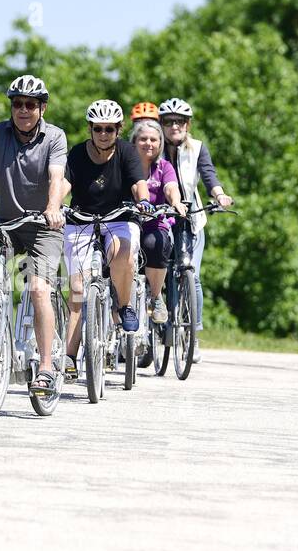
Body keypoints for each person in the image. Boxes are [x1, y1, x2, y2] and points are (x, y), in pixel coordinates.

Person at [0, 74, 68, 395]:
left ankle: (45, 368)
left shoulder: (55, 137)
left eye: (30, 104)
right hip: (7, 223)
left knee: (39, 289)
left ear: (42, 108)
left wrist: (54, 207)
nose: (23, 110)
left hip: (44, 226)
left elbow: (56, 177)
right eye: (17, 104)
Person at [61, 99, 152, 374]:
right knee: (77, 289)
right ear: (90, 128)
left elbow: (139, 183)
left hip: (119, 219)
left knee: (122, 252)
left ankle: (124, 306)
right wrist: (53, 206)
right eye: (98, 128)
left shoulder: (127, 152)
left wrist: (144, 201)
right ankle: (69, 357)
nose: (103, 134)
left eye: (109, 129)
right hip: (81, 221)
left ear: (118, 129)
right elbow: (65, 184)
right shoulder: (77, 154)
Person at [158, 98, 233, 361]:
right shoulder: (154, 148)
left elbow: (209, 174)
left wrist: (220, 195)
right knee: (160, 273)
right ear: (161, 125)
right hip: (160, 218)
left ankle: (192, 335)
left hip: (191, 220)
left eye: (180, 121)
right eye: (168, 122)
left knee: (192, 274)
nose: (174, 126)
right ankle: (158, 321)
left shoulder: (197, 148)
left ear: (188, 125)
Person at [130, 118, 186, 324]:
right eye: (143, 139)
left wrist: (176, 202)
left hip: (154, 224)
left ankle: (155, 297)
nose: (149, 143)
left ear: (160, 143)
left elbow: (170, 187)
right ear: (134, 141)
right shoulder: (126, 164)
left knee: (156, 243)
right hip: (127, 222)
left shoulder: (164, 167)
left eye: (154, 139)